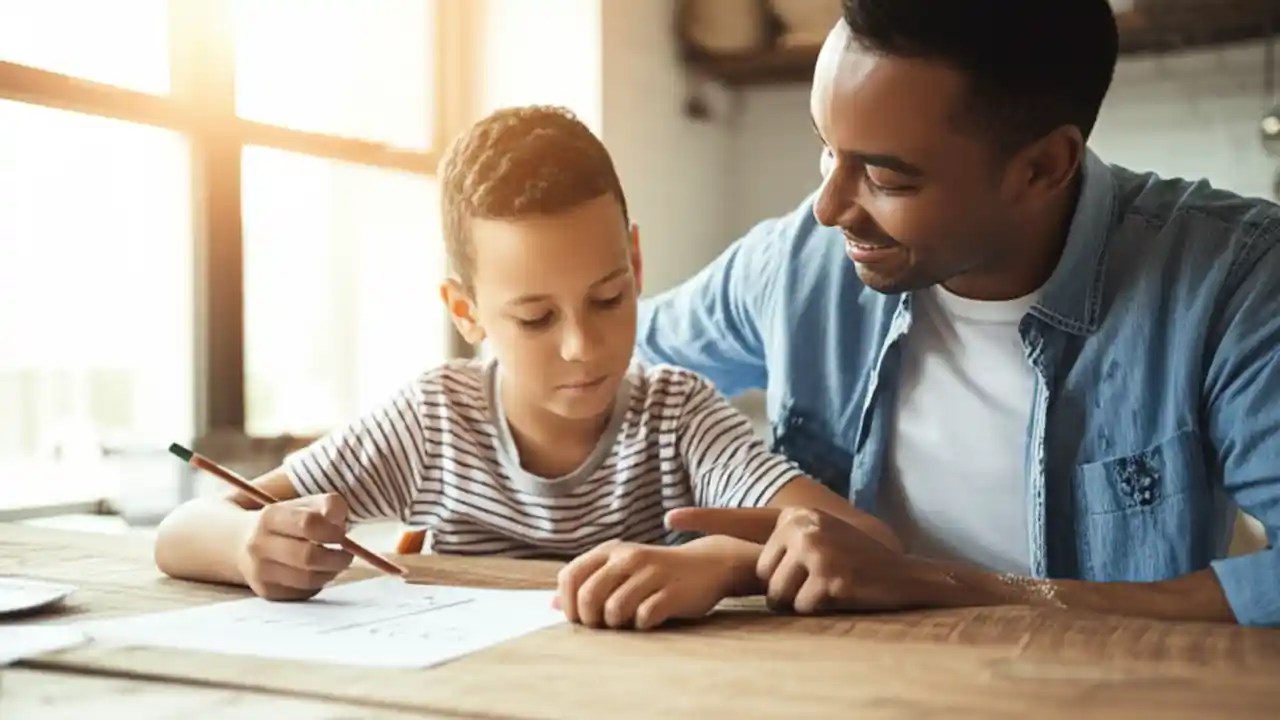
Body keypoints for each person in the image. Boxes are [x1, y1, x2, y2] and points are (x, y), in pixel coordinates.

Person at [644, 0, 1280, 626]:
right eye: (827, 150)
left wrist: (941, 586)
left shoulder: (1233, 283)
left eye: (887, 179)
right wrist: (731, 545)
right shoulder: (796, 264)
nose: (828, 208)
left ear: (1042, 168)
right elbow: (617, 363)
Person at [153, 105, 898, 631]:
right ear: (466, 311)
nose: (582, 346)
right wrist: (247, 546)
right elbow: (182, 530)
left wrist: (722, 562)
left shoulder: (676, 416)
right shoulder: (434, 419)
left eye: (608, 298)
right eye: (536, 318)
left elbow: (865, 544)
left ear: (636, 261)